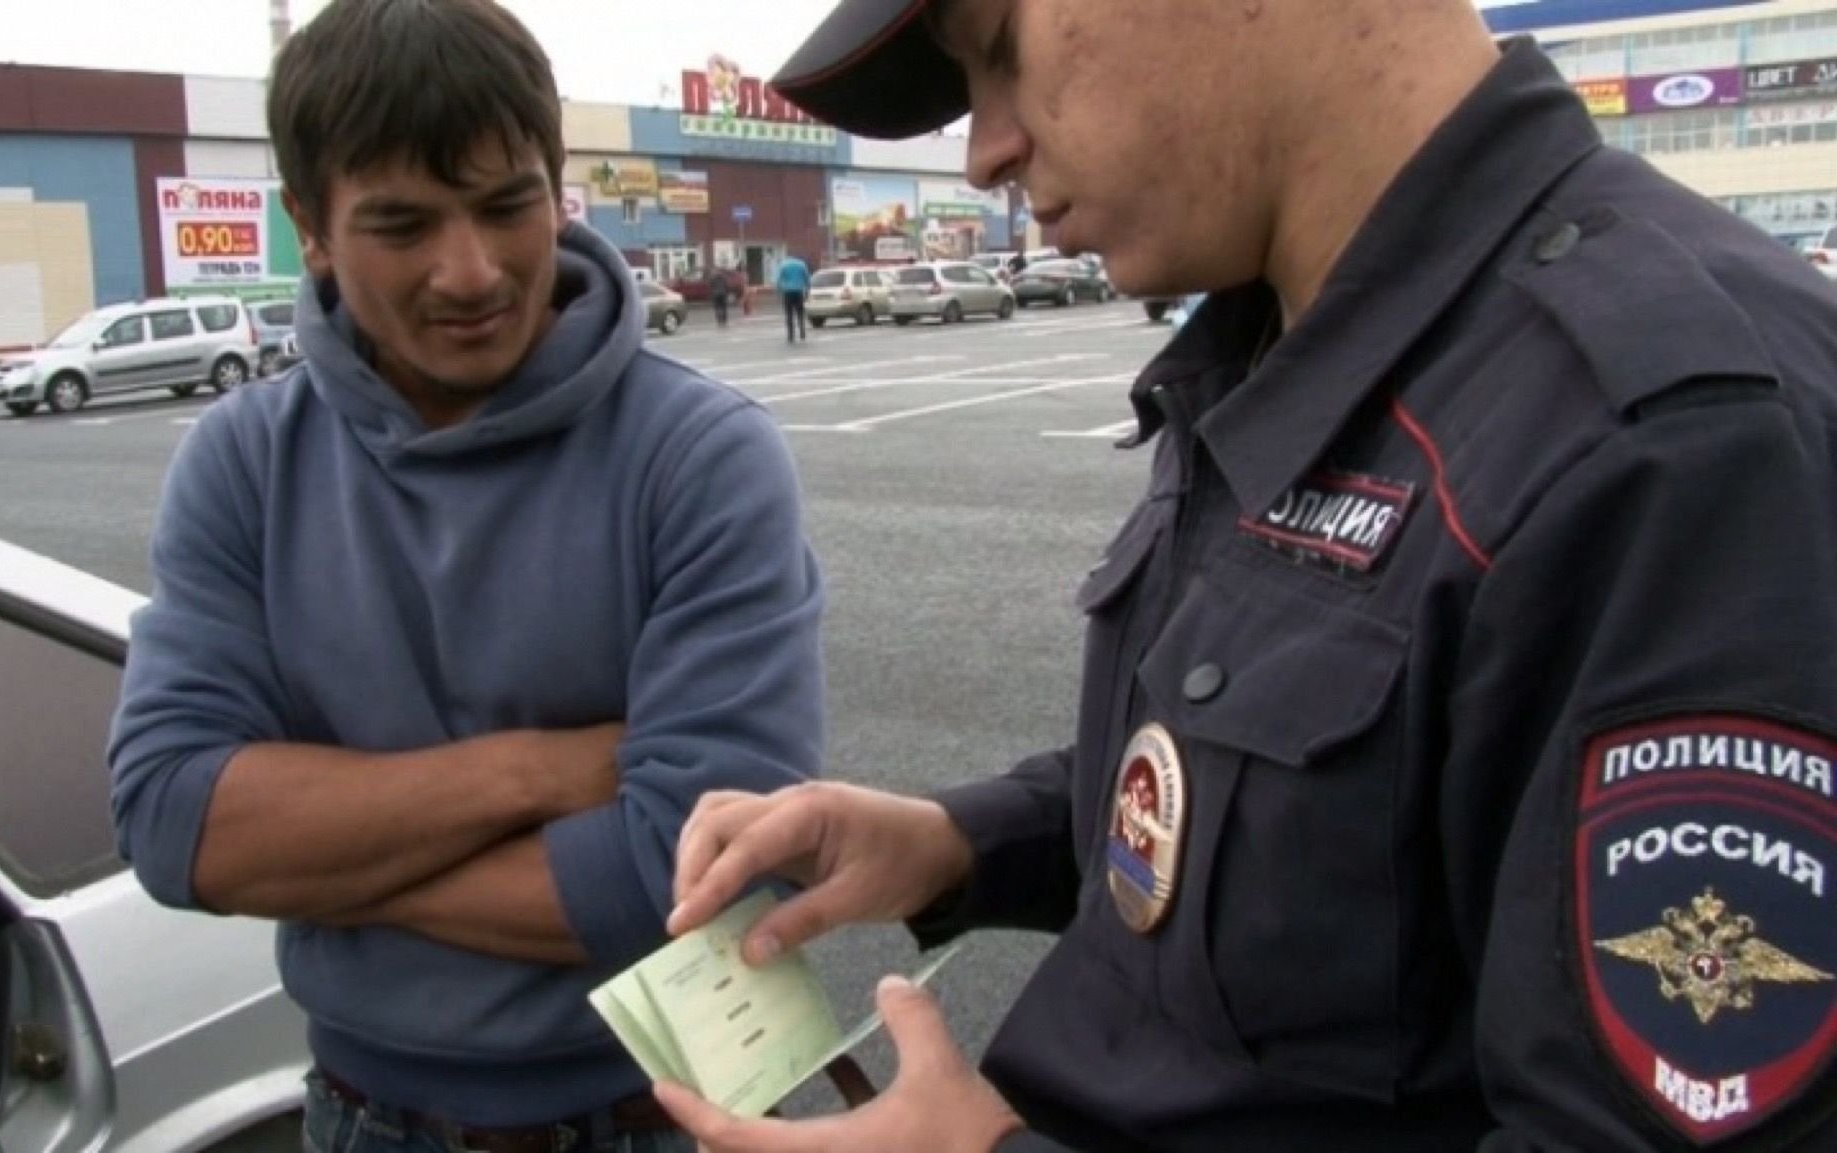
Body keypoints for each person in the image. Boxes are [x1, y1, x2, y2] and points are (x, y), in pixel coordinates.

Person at [654, 1, 1837, 1151]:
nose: (984, 152)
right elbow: (1281, 818)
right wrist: (955, 842)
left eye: (998, 53)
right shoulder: (1282, 330)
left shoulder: (1673, 439)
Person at [106, 2, 826, 1151]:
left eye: (507, 205)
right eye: (402, 224)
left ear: (557, 185)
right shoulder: (243, 461)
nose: (471, 270)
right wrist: (539, 771)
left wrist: (312, 866)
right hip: (357, 1115)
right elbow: (171, 818)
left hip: (658, 1111)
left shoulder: (696, 454)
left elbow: (687, 872)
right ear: (313, 226)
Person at [776, 251, 812, 343]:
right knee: (800, 312)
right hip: (798, 291)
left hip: (787, 292)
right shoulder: (801, 264)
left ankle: (790, 335)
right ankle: (802, 332)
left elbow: (779, 279)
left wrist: (778, 291)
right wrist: (808, 289)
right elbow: (806, 277)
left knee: (789, 314)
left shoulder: (783, 265)